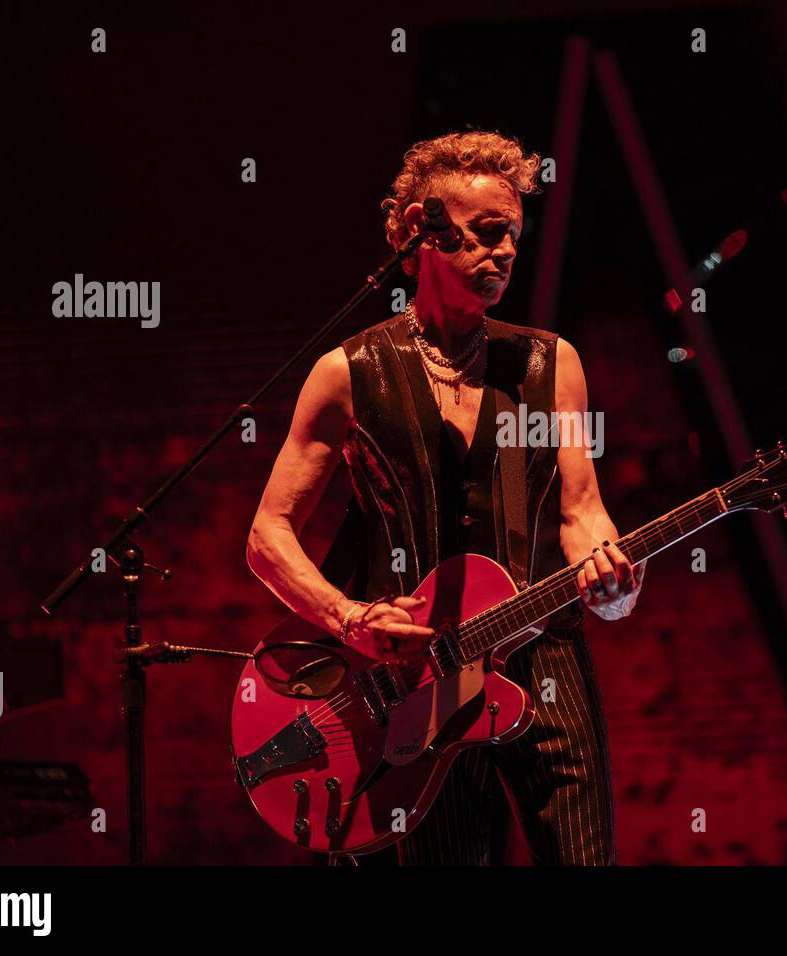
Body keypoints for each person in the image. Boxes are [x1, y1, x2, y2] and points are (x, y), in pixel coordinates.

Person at [246, 130, 644, 865]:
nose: (505, 253)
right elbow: (268, 535)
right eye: (487, 232)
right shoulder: (349, 372)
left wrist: (613, 583)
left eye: (514, 236)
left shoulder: (552, 363)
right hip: (416, 682)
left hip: (544, 659)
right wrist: (349, 616)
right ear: (417, 232)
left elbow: (583, 512)